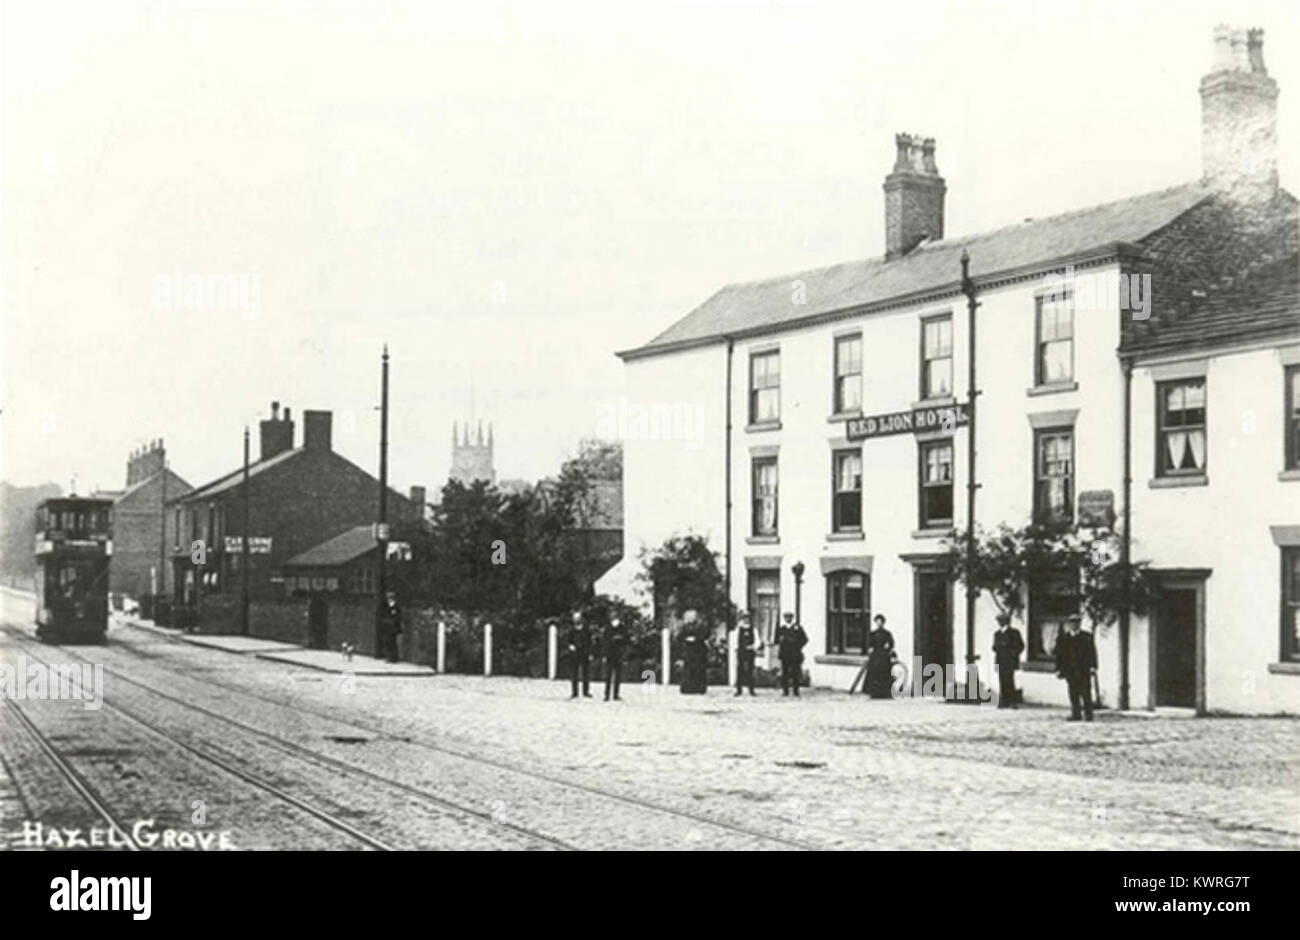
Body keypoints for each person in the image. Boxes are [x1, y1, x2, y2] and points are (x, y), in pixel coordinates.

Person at [1055, 615, 1097, 721]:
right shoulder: (1064, 638)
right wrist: (1058, 669)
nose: (1074, 625)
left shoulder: (1086, 637)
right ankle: (1076, 713)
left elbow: (1092, 652)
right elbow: (1059, 655)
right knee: (1073, 692)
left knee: (1085, 692)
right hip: (1070, 669)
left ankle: (1088, 714)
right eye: (1072, 623)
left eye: (1077, 623)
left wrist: (1093, 666)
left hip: (1083, 669)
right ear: (1069, 624)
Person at [992, 612, 1025, 708]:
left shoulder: (1014, 633)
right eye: (999, 621)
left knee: (1009, 680)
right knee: (1001, 680)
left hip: (1010, 660)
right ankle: (1004, 700)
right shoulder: (997, 634)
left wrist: (1012, 653)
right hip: (1000, 660)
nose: (1000, 623)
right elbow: (994, 647)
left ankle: (1012, 701)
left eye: (1001, 621)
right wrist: (998, 647)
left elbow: (1020, 646)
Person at [776, 612, 807, 697]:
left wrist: (798, 646)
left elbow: (805, 639)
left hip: (794, 654)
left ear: (792, 618)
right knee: (785, 672)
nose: (788, 619)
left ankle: (796, 690)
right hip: (785, 654)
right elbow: (777, 640)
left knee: (795, 672)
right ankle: (785, 690)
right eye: (786, 617)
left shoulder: (797, 628)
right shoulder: (782, 629)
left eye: (789, 617)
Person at [864, 614, 896, 699]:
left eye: (880, 621)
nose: (879, 623)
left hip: (884, 656)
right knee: (874, 674)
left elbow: (891, 644)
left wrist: (888, 649)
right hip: (875, 656)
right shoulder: (873, 634)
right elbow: (869, 645)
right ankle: (874, 693)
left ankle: (885, 693)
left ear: (883, 623)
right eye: (877, 621)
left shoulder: (887, 634)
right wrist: (870, 651)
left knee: (884, 674)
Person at [679, 609, 708, 694]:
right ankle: (688, 688)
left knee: (699, 669)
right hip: (689, 650)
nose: (691, 618)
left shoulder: (700, 626)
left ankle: (699, 688)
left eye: (692, 617)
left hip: (699, 650)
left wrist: (696, 639)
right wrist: (686, 639)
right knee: (689, 669)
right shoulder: (685, 627)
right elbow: (680, 637)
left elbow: (704, 635)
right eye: (689, 617)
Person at [567, 611, 593, 699]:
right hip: (575, 653)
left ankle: (586, 692)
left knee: (586, 673)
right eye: (575, 618)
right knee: (574, 673)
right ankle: (574, 692)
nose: (576, 620)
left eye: (578, 618)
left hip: (584, 652)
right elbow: (568, 641)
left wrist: (590, 653)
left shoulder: (586, 630)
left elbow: (590, 642)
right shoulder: (571, 630)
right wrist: (571, 646)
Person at [734, 611, 760, 697]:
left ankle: (751, 690)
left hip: (750, 652)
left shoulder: (754, 629)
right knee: (740, 669)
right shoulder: (738, 629)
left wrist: (753, 647)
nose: (746, 620)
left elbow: (758, 641)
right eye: (744, 618)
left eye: (747, 618)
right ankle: (739, 690)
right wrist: (737, 648)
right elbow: (735, 641)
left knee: (750, 670)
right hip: (741, 652)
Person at [603, 616, 629, 701]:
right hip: (610, 655)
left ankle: (616, 694)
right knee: (608, 676)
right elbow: (605, 643)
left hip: (619, 655)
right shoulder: (607, 629)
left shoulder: (622, 629)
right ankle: (607, 695)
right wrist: (604, 655)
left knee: (618, 676)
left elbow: (625, 643)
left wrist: (624, 656)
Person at [379, 591, 402, 662]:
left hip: (394, 627)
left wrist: (393, 622)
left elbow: (398, 616)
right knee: (387, 642)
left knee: (393, 642)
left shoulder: (397, 606)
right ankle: (389, 657)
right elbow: (382, 615)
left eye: (391, 598)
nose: (389, 599)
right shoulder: (386, 606)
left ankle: (394, 658)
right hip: (387, 627)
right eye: (388, 598)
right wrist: (385, 621)